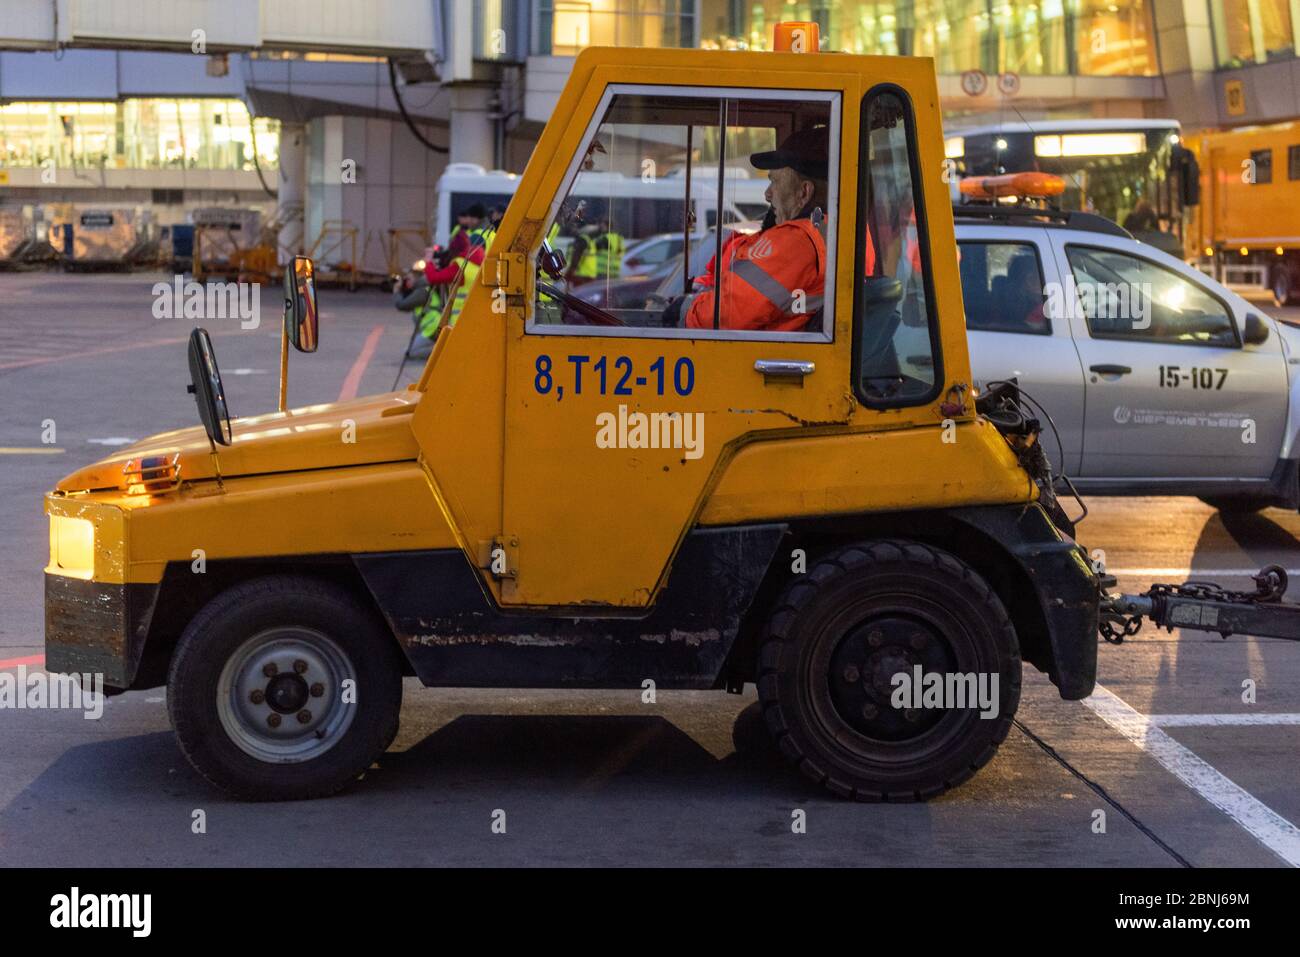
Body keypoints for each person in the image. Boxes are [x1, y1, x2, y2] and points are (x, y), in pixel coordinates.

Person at [671, 126, 828, 332]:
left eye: (775, 182)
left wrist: (682, 310)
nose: (767, 194)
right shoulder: (834, 231)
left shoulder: (796, 241)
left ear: (804, 192)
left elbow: (723, 316)